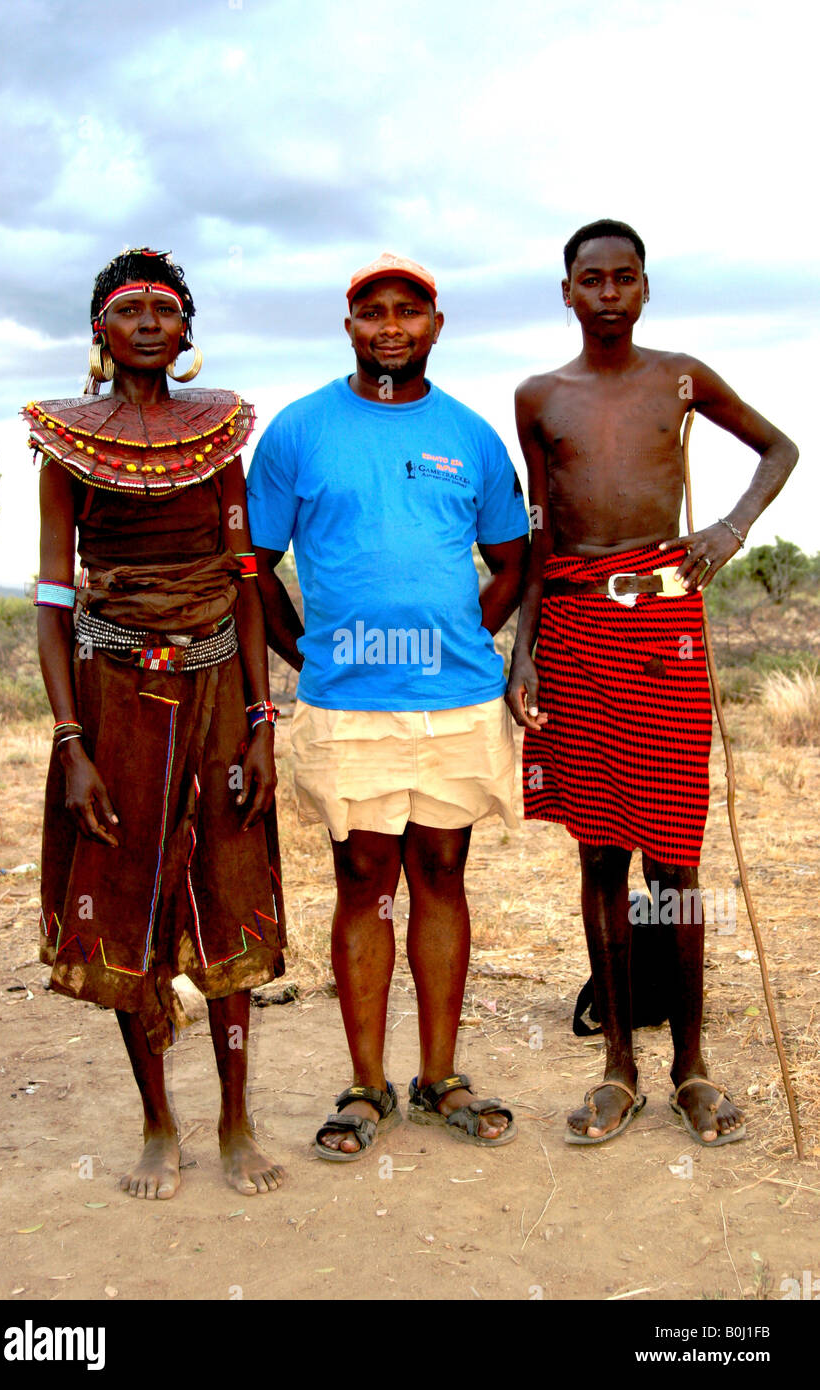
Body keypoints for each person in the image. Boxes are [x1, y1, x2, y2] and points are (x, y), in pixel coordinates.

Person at [506, 219, 798, 1146]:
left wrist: (730, 529)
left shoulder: (681, 377)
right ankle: (618, 1069)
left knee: (675, 854)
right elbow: (541, 531)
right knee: (599, 855)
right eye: (591, 280)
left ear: (644, 287)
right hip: (574, 631)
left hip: (663, 630)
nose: (608, 294)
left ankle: (692, 1068)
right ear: (567, 292)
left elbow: (780, 449)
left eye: (623, 278)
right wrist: (523, 650)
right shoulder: (538, 397)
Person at [247, 252, 528, 1158]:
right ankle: (366, 1086)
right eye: (374, 312)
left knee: (443, 873)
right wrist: (304, 651)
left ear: (436, 326)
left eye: (410, 310)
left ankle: (440, 1077)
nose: (392, 326)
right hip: (349, 703)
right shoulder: (299, 432)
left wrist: (465, 638)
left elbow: (513, 560)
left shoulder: (471, 436)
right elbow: (254, 565)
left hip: (456, 701)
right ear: (349, 328)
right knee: (364, 881)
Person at [25, 248, 287, 1198]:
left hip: (217, 693)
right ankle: (157, 1121)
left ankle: (236, 1120)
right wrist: (72, 745)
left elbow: (245, 583)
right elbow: (53, 602)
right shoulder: (68, 446)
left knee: (229, 889)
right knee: (125, 901)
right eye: (128, 309)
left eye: (165, 310)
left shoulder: (218, 438)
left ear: (186, 333)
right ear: (100, 329)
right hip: (114, 697)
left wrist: (262, 722)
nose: (147, 324)